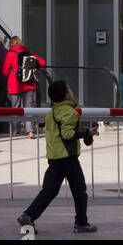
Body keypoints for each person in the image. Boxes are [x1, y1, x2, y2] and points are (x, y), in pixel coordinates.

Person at [17, 79, 98, 235]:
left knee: (49, 191)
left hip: (54, 158)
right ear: (67, 94)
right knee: (80, 190)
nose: (70, 90)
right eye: (69, 88)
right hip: (68, 158)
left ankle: (28, 215)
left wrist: (85, 133)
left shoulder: (52, 113)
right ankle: (81, 223)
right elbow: (68, 134)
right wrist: (87, 132)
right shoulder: (70, 112)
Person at [2, 36, 45, 136]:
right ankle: (30, 131)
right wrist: (34, 66)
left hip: (14, 85)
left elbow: (4, 71)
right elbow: (42, 62)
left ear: (11, 43)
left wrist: (13, 73)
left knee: (15, 108)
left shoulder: (10, 53)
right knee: (28, 108)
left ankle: (14, 131)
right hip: (29, 83)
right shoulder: (28, 52)